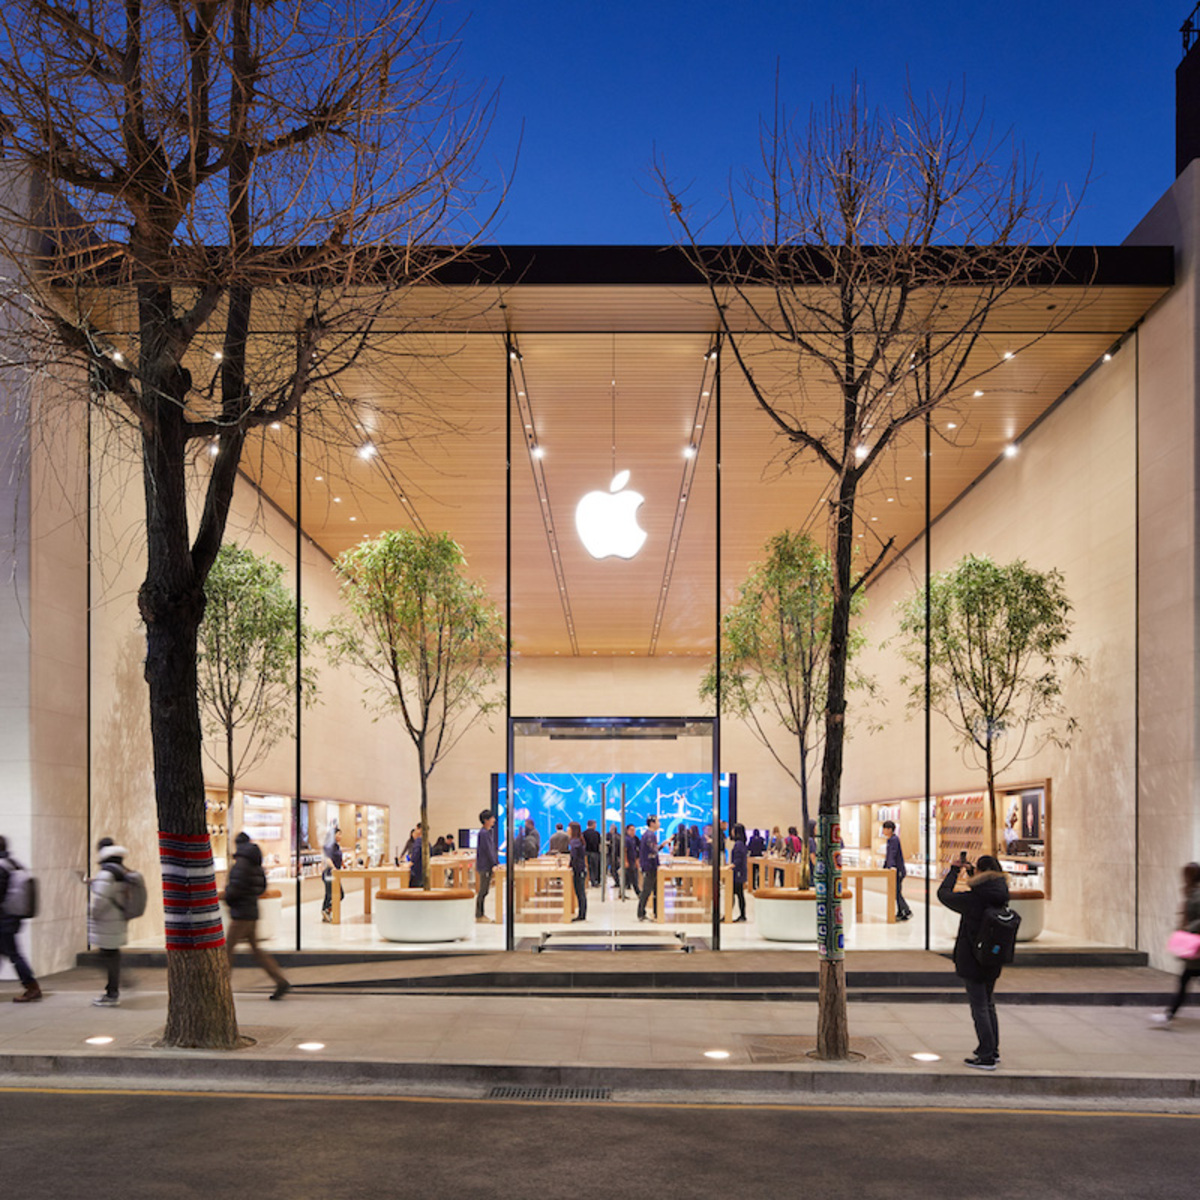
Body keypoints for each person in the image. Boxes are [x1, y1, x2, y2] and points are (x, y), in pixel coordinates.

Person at [937, 853, 1010, 1069]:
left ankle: (986, 1055)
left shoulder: (973, 900)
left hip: (972, 958)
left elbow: (943, 894)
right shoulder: (999, 894)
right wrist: (972, 874)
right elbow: (983, 887)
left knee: (979, 1007)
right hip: (992, 958)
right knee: (988, 1003)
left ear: (980, 873)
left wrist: (954, 871)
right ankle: (992, 1050)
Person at [225, 832, 290, 1000]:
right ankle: (280, 980)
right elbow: (261, 888)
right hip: (252, 912)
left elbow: (234, 889)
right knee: (256, 951)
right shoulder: (256, 864)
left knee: (227, 950)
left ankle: (221, 987)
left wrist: (229, 898)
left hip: (241, 914)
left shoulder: (240, 865)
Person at [1151, 861, 1200, 1026]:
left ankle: (1169, 1014)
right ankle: (1169, 1014)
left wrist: (1189, 928)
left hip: (1197, 946)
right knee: (1184, 981)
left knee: (1184, 981)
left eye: (1186, 874)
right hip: (1195, 948)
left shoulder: (1197, 893)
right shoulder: (1191, 892)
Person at [88, 839, 132, 1007]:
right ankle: (115, 986)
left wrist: (92, 913)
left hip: (107, 921)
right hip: (116, 919)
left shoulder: (107, 874)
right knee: (111, 955)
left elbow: (101, 900)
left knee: (105, 956)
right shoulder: (121, 872)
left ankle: (113, 991)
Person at [0, 836, 40, 1002]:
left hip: (4, 917)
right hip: (12, 916)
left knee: (13, 954)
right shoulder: (13, 863)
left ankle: (32, 987)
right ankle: (32, 986)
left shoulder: (1, 866)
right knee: (8, 952)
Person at [882, 820, 913, 921]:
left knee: (896, 892)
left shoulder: (894, 840)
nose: (883, 831)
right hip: (894, 870)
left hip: (897, 870)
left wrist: (891, 866)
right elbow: (889, 855)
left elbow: (892, 854)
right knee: (896, 891)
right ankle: (901, 912)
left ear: (890, 830)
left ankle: (906, 911)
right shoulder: (890, 839)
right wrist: (885, 866)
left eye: (884, 829)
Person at [475, 809, 498, 923]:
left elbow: (492, 849)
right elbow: (488, 850)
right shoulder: (483, 833)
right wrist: (494, 863)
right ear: (486, 820)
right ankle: (479, 915)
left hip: (487, 865)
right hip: (484, 866)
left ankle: (480, 914)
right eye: (492, 818)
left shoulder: (488, 832)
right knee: (483, 890)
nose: (494, 820)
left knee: (485, 890)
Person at [637, 815, 660, 921]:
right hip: (650, 866)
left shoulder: (648, 835)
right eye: (657, 821)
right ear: (652, 823)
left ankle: (656, 912)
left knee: (654, 889)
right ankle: (641, 912)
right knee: (647, 890)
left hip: (650, 865)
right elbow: (654, 850)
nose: (659, 823)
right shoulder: (650, 835)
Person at [321, 826, 343, 922]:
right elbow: (328, 859)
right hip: (330, 873)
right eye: (339, 834)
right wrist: (334, 868)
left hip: (335, 873)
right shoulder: (329, 846)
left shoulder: (336, 846)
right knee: (337, 894)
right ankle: (326, 910)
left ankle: (326, 912)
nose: (341, 836)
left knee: (329, 894)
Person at [568, 822, 588, 922]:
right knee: (581, 892)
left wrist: (570, 864)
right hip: (581, 869)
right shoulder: (579, 840)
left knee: (580, 892)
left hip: (578, 870)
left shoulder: (575, 842)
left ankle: (582, 914)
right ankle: (582, 913)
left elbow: (574, 856)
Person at [731, 824, 748, 922]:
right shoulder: (741, 843)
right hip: (740, 873)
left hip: (737, 874)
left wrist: (731, 866)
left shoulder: (738, 844)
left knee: (736, 894)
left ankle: (733, 914)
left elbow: (738, 860)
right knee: (739, 894)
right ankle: (742, 915)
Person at [583, 819, 602, 887]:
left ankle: (587, 881)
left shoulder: (583, 833)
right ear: (593, 825)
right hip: (595, 852)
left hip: (586, 853)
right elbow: (599, 843)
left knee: (588, 868)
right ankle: (595, 881)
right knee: (595, 867)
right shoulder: (596, 833)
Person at [624, 823, 641, 896]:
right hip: (629, 860)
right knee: (633, 876)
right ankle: (638, 892)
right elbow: (624, 850)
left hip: (633, 860)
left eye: (634, 830)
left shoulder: (634, 839)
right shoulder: (626, 839)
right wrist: (625, 861)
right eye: (631, 830)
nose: (633, 832)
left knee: (630, 876)